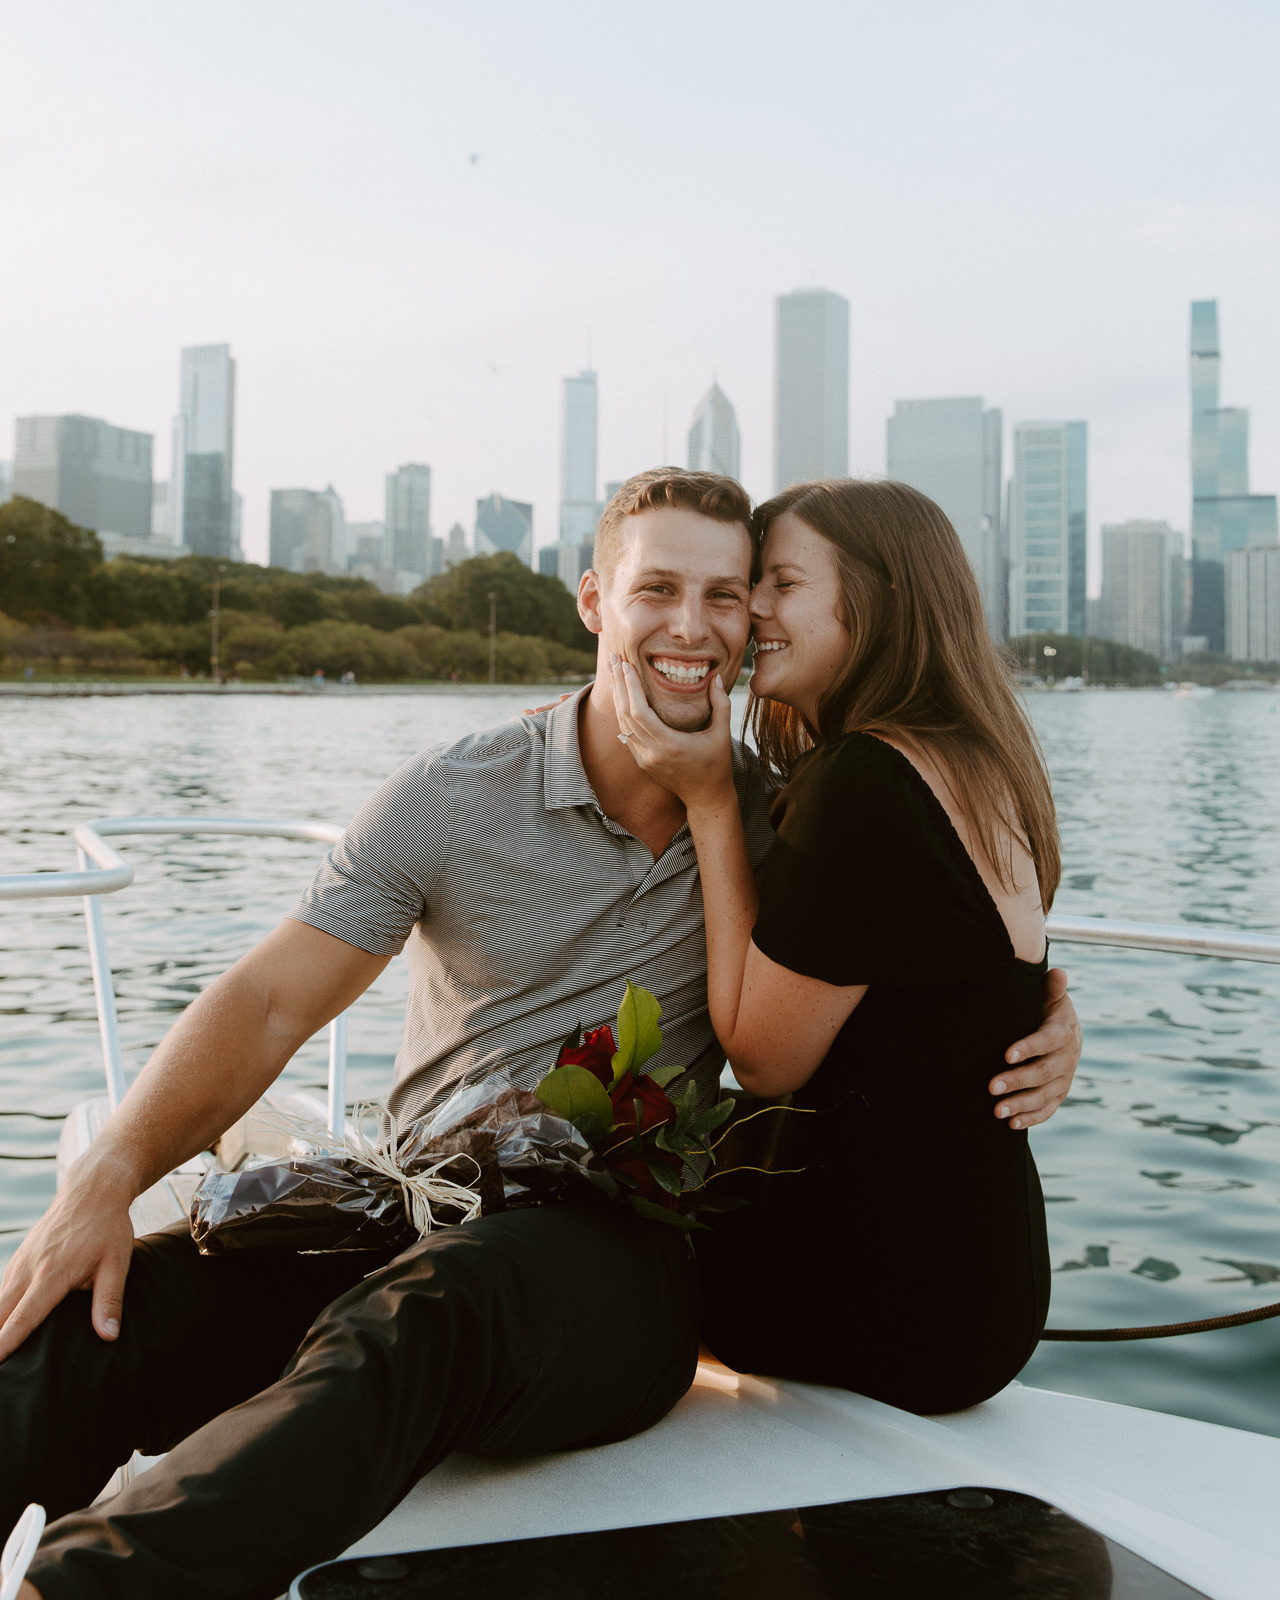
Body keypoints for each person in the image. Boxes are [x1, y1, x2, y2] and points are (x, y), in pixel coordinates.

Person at [0, 470, 1079, 1600]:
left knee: (435, 1309)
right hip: (412, 1202)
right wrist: (112, 1173)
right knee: (114, 1308)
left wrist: (1047, 1009)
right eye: (657, 587)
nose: (701, 624)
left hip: (609, 1255)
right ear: (592, 602)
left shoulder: (775, 818)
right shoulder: (458, 792)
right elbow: (273, 999)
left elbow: (921, 937)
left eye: (729, 593)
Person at [610, 478, 1063, 1414]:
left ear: (879, 598)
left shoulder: (865, 781)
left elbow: (765, 1059)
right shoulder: (975, 763)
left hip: (882, 1297)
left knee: (572, 1224)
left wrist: (707, 803)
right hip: (979, 1286)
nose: (753, 612)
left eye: (781, 584)